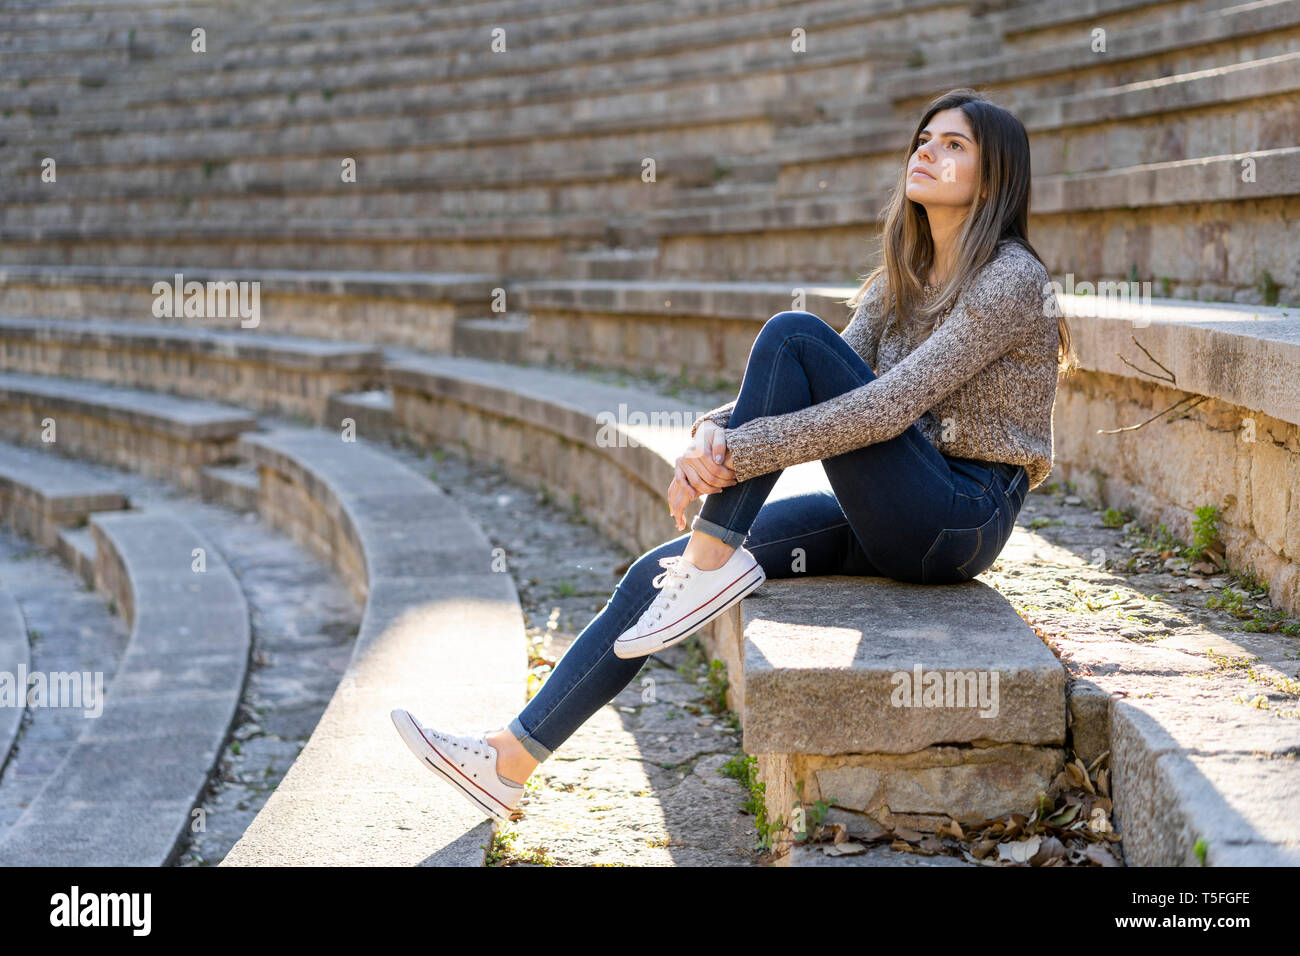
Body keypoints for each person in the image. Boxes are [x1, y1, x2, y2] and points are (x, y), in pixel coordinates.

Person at [391, 88, 1075, 824]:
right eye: (923, 138)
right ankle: (509, 759)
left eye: (953, 145)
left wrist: (739, 454)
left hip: (959, 516)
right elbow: (810, 390)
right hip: (893, 508)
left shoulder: (1012, 279)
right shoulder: (898, 281)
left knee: (791, 334)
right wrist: (711, 435)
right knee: (657, 571)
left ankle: (708, 565)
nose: (925, 152)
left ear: (994, 175)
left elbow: (886, 407)